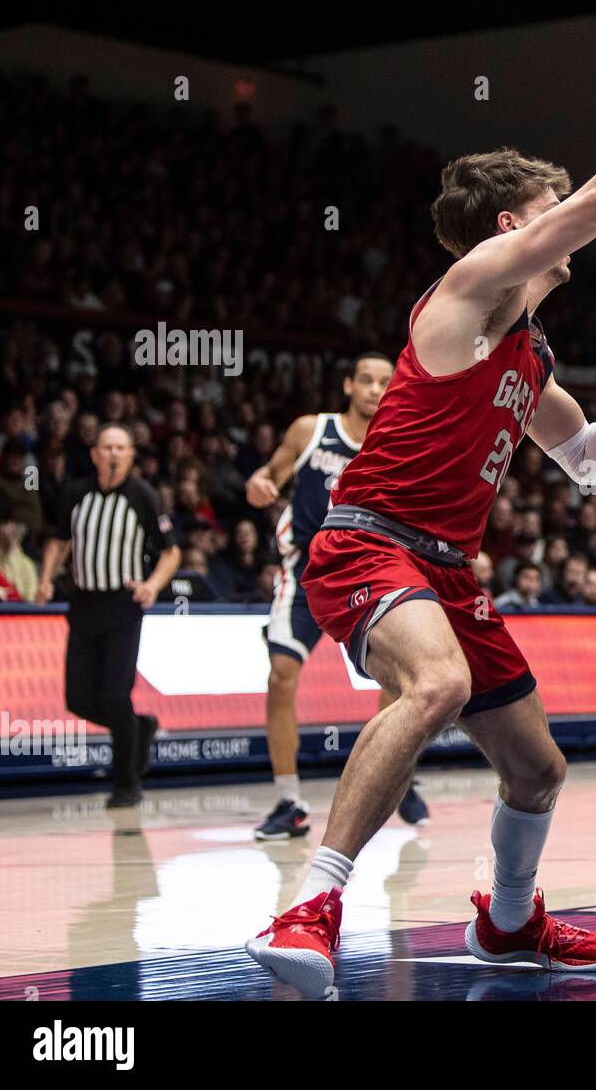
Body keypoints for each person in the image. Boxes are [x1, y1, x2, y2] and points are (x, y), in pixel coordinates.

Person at [246, 0, 596, 997]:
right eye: (556, 204)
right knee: (437, 686)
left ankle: (506, 925)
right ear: (515, 225)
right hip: (368, 541)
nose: (573, 214)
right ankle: (310, 902)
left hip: (445, 570)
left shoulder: (530, 351)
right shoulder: (475, 283)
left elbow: (586, 459)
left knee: (536, 768)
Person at [243, 353, 414, 840]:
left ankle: (394, 774)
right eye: (365, 380)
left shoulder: (398, 437)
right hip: (305, 569)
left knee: (401, 678)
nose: (374, 389)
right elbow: (268, 477)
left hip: (367, 568)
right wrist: (258, 485)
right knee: (280, 675)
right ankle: (288, 799)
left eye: (384, 381)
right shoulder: (308, 431)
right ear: (347, 384)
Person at [35, 424, 180, 807]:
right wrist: (46, 579)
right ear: (95, 453)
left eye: (121, 447)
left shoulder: (142, 496)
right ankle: (140, 728)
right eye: (107, 447)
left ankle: (125, 784)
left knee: (116, 696)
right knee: (78, 698)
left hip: (122, 606)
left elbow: (171, 552)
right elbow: (60, 541)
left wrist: (152, 585)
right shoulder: (76, 493)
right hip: (82, 604)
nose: (114, 454)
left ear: (131, 455)